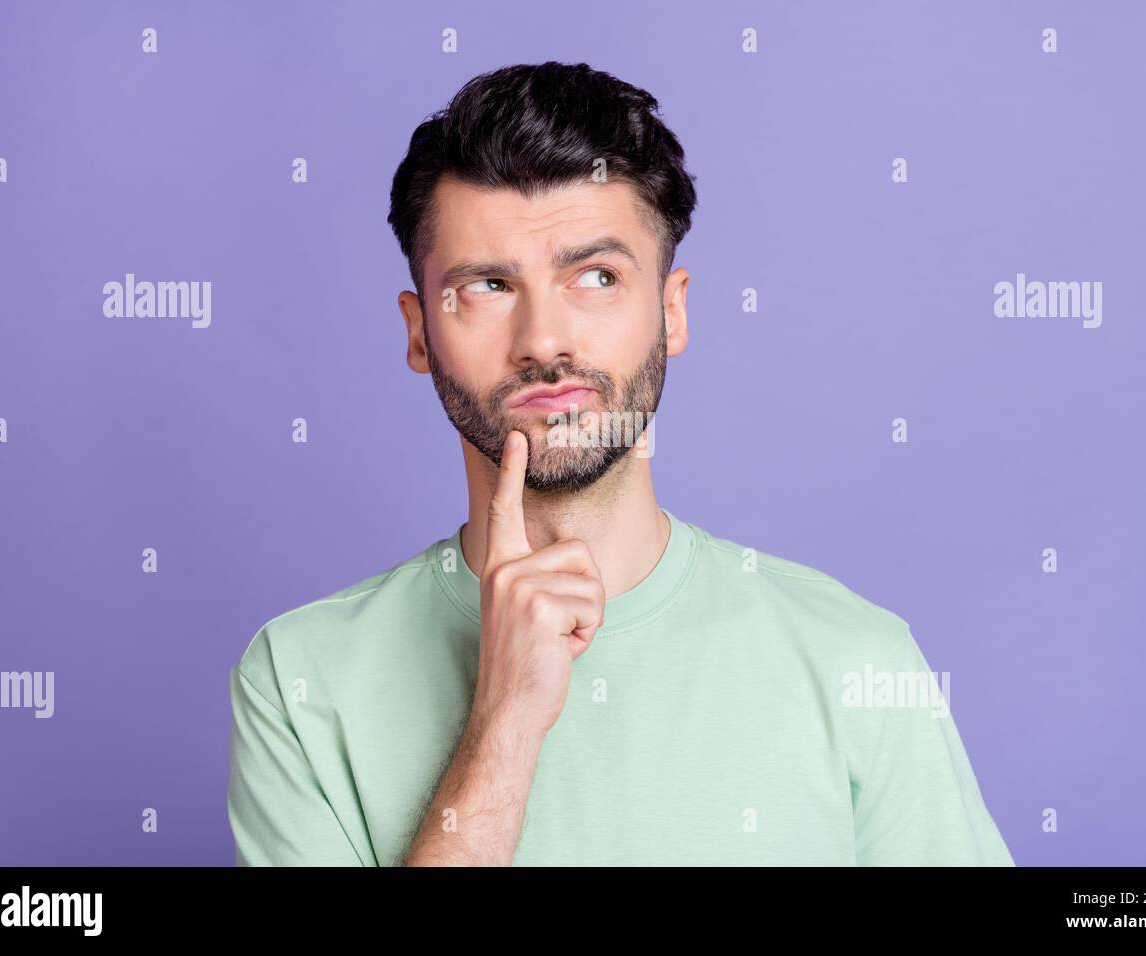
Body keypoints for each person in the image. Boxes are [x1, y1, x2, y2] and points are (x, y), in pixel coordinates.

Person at [226, 61, 1015, 866]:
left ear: (671, 310)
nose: (544, 338)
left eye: (596, 276)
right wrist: (505, 718)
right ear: (420, 331)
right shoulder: (299, 683)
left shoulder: (860, 662)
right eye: (489, 285)